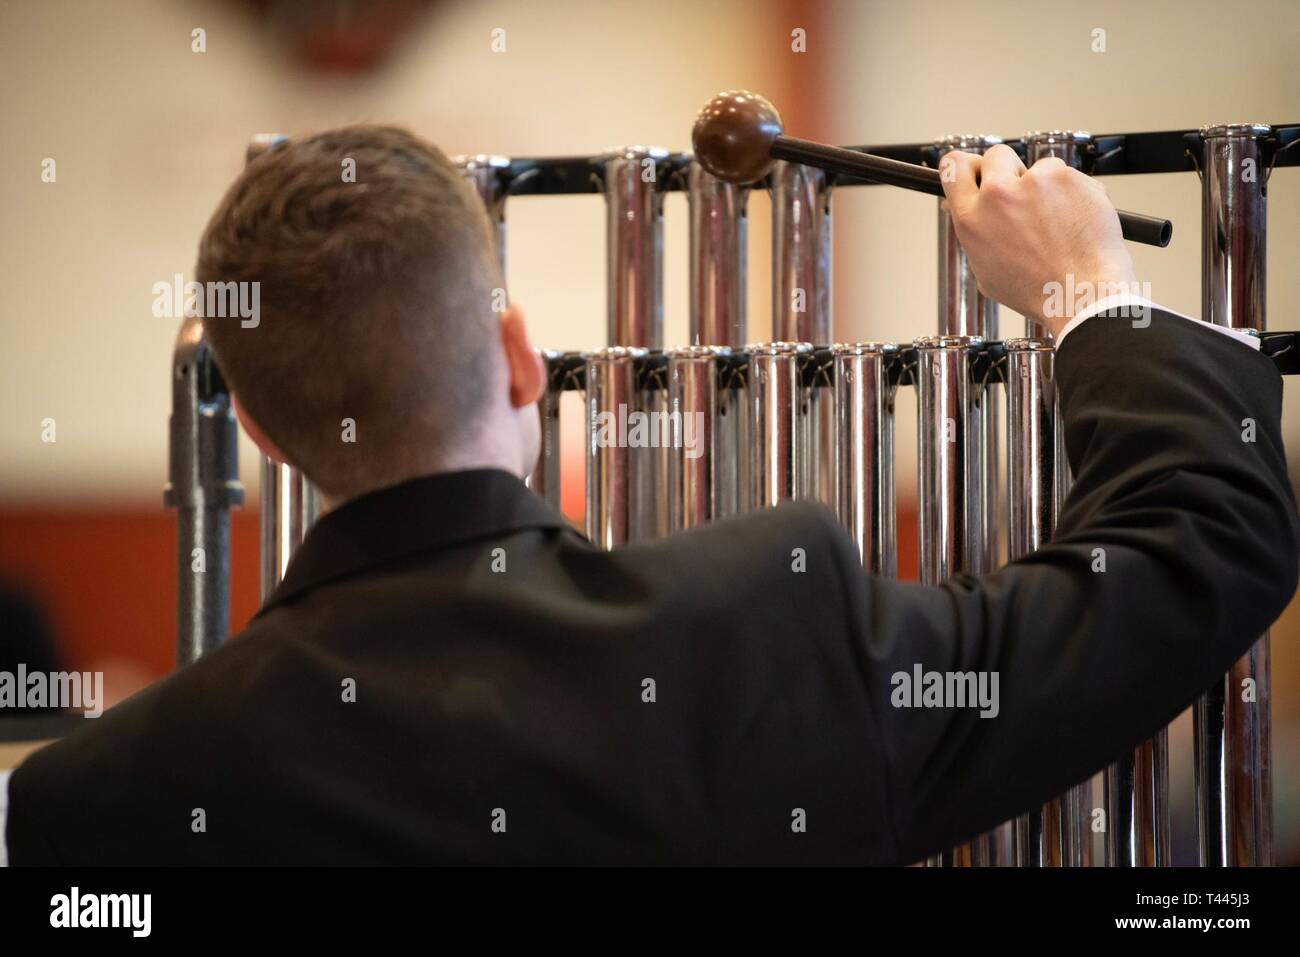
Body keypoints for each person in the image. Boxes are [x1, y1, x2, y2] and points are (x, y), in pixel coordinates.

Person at [5, 127, 1296, 865]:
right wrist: (1089, 296)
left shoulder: (95, 803)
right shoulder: (750, 637)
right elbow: (1191, 557)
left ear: (272, 436)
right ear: (518, 355)